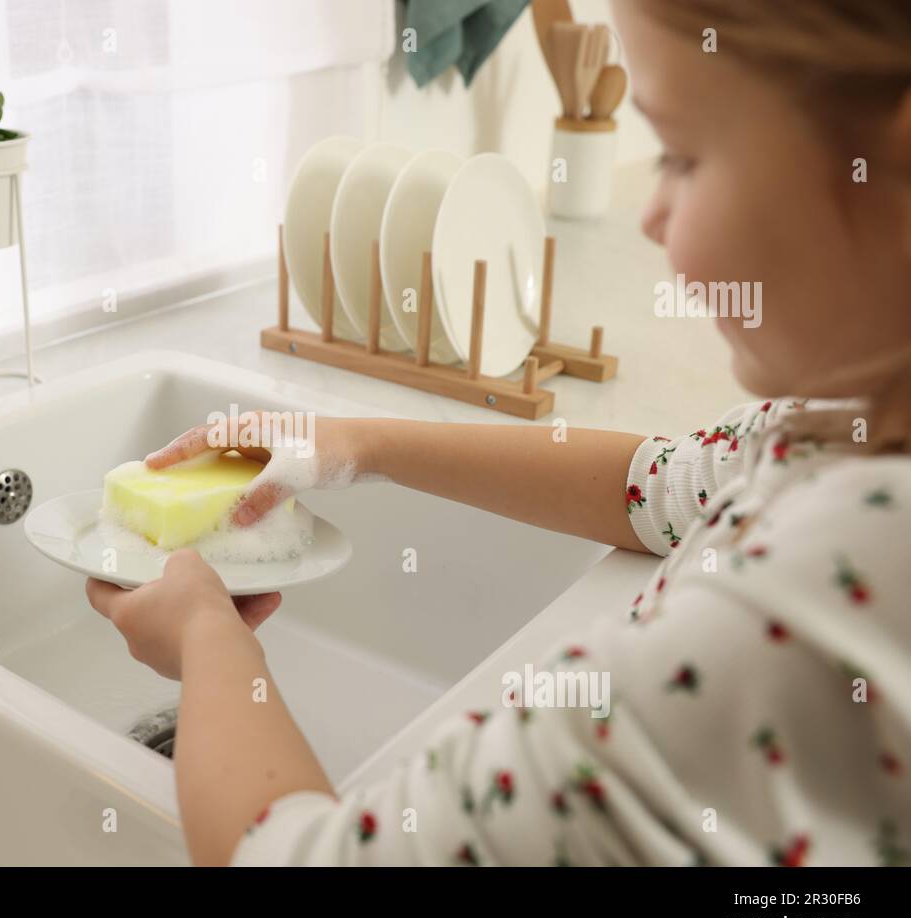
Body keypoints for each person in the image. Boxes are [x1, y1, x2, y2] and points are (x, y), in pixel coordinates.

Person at [86, 0, 911, 866]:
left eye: (682, 154)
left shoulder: (805, 609)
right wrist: (354, 442)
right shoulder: (839, 435)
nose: (653, 215)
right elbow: (657, 489)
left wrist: (206, 637)